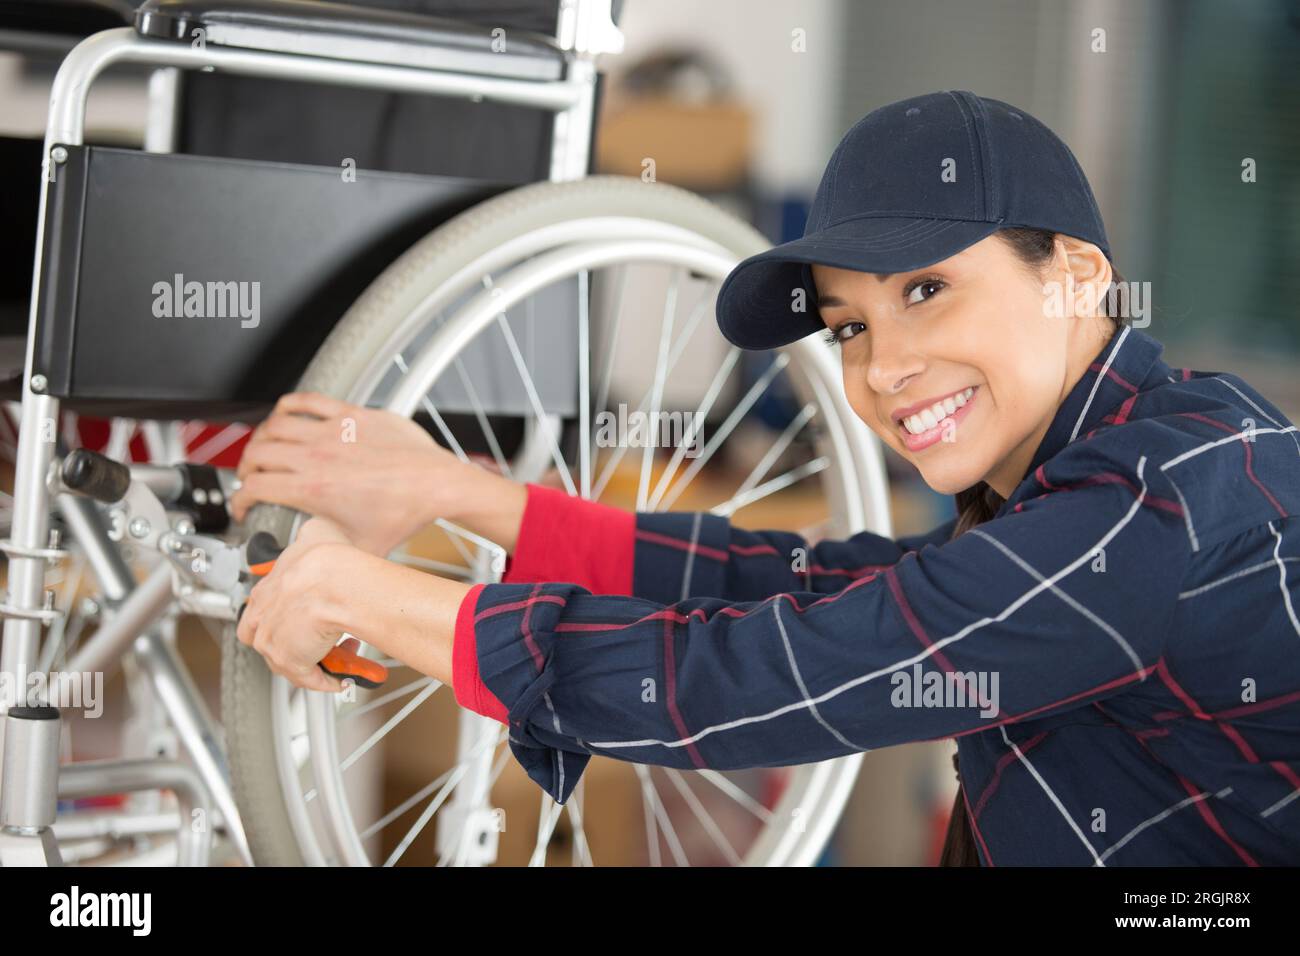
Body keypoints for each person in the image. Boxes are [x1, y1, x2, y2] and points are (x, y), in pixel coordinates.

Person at [231, 91, 1300, 865]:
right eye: (848, 326)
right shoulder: (1120, 460)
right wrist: (459, 493)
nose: (881, 370)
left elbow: (784, 672)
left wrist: (383, 597)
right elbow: (813, 590)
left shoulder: (1156, 498)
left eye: (927, 288)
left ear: (1074, 276)